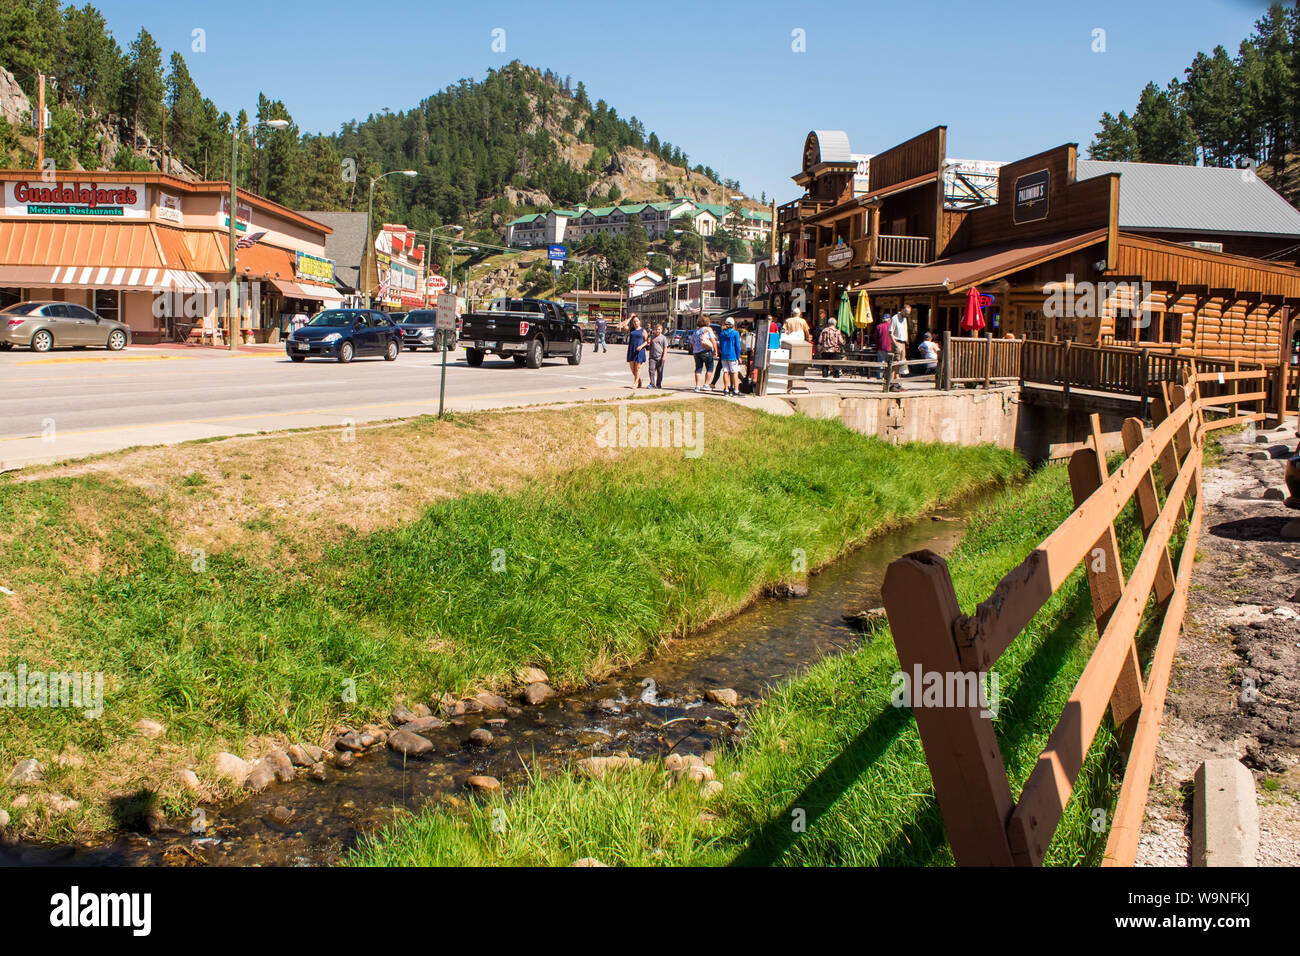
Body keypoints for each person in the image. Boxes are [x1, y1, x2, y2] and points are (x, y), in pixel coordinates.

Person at [690, 315, 718, 391]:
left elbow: (692, 342)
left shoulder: (695, 331)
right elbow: (713, 340)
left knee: (698, 369)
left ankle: (697, 386)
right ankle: (706, 384)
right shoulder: (708, 330)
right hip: (706, 351)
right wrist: (715, 350)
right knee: (710, 367)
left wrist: (694, 350)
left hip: (696, 352)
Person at [717, 316, 742, 396]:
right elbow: (737, 346)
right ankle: (736, 390)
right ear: (733, 324)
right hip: (733, 355)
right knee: (735, 372)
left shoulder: (722, 333)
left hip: (724, 355)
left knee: (725, 372)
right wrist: (738, 356)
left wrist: (721, 352)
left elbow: (720, 345)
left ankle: (726, 389)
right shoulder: (735, 333)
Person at [890, 305, 911, 376]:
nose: (907, 314)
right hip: (897, 342)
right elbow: (890, 332)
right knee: (895, 362)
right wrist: (895, 344)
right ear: (902, 310)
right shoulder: (895, 318)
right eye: (906, 312)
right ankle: (892, 382)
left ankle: (897, 381)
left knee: (901, 363)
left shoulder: (905, 319)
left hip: (903, 343)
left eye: (908, 313)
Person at [626, 315, 647, 387]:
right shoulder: (631, 329)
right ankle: (639, 380)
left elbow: (647, 341)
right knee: (632, 368)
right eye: (634, 321)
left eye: (637, 321)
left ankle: (635, 383)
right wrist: (630, 317)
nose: (635, 323)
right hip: (632, 349)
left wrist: (641, 346)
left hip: (639, 350)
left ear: (640, 322)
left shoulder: (643, 330)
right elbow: (624, 325)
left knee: (638, 368)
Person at [647, 322, 668, 388]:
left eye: (659, 329)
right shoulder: (652, 337)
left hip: (660, 357)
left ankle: (658, 384)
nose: (657, 331)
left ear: (661, 330)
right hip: (652, 357)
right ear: (654, 330)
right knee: (651, 370)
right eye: (656, 329)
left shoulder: (663, 338)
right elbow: (649, 345)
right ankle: (652, 384)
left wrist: (664, 356)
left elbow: (665, 347)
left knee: (660, 371)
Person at [873, 315, 893, 381]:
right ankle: (889, 377)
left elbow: (875, 337)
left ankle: (879, 377)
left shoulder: (879, 326)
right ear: (889, 319)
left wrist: (877, 343)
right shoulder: (892, 326)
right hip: (890, 347)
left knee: (880, 363)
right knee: (890, 363)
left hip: (881, 347)